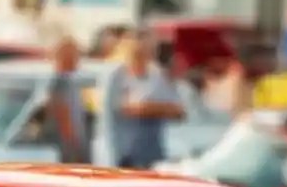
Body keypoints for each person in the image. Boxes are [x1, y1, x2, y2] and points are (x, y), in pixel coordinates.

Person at [103, 30, 184, 169]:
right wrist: (157, 108)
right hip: (125, 154)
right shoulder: (117, 76)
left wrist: (147, 108)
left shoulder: (157, 75)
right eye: (137, 51)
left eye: (147, 50)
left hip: (154, 152)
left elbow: (178, 111)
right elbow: (127, 108)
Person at [47, 37, 89, 164]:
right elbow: (63, 116)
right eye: (74, 55)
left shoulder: (72, 81)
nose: (77, 60)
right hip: (65, 147)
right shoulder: (59, 82)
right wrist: (74, 147)